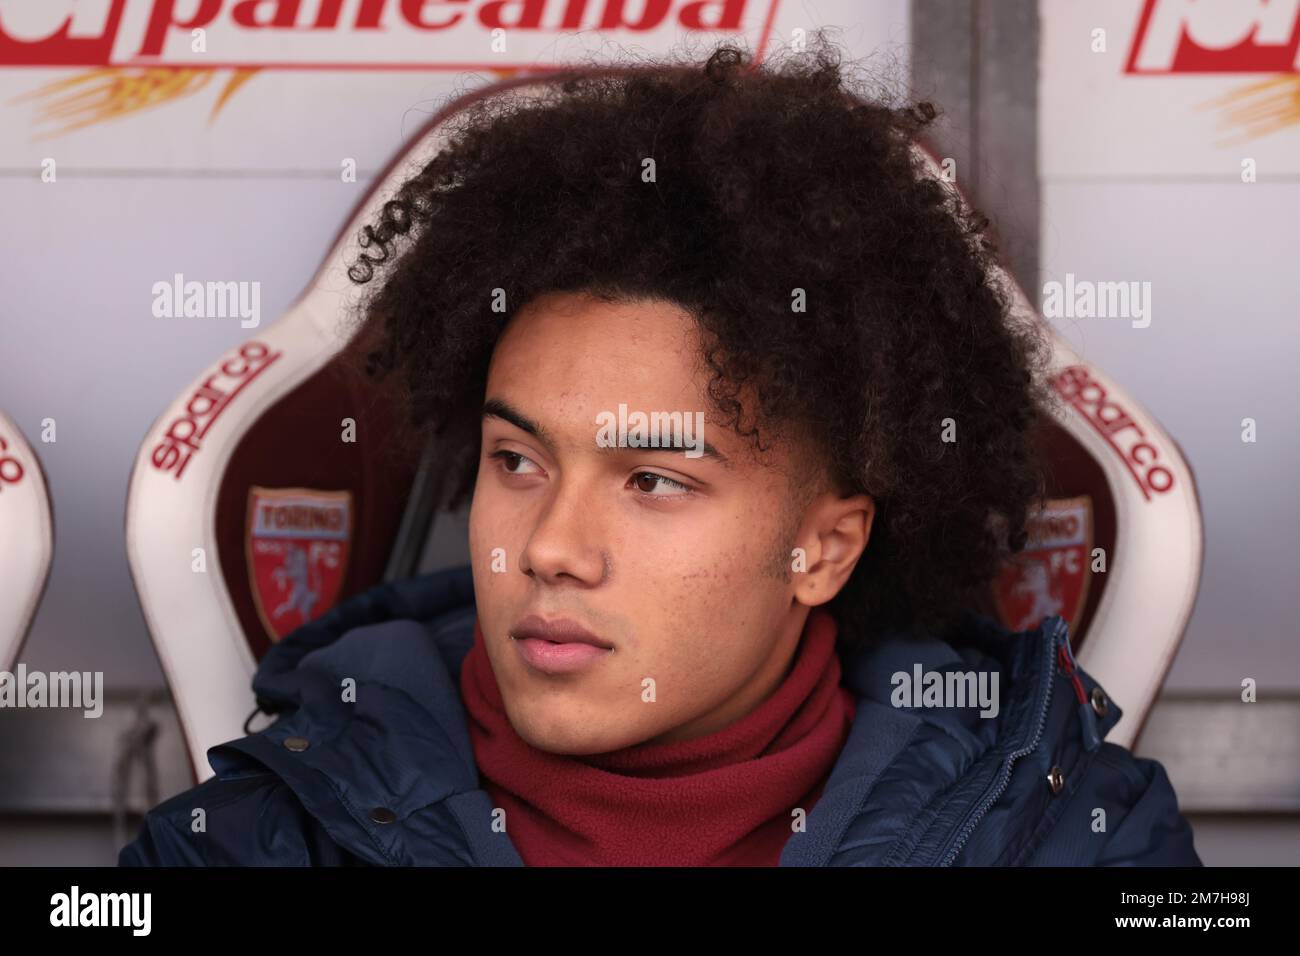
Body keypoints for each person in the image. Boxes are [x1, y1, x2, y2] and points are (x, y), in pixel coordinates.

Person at [119, 38, 1200, 866]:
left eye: (651, 480)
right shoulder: (253, 840)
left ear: (822, 548)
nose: (548, 548)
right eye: (517, 461)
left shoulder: (1077, 837)